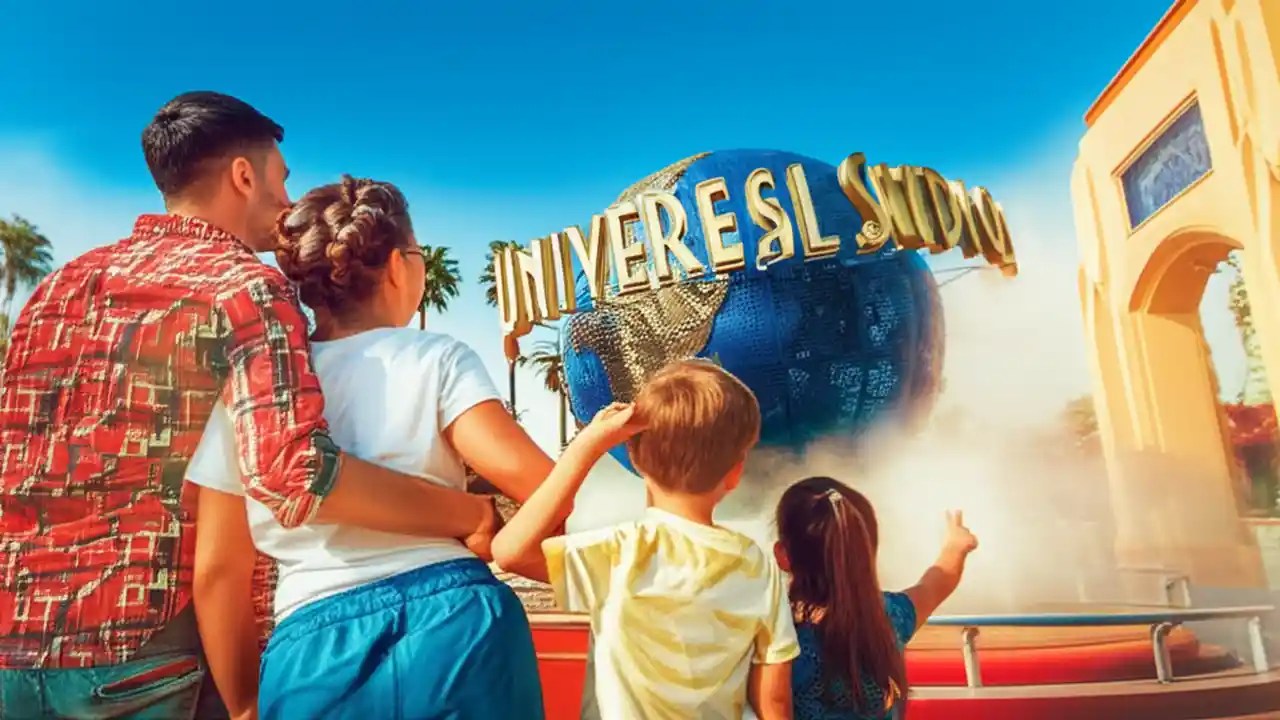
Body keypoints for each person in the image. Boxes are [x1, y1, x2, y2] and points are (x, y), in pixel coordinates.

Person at [0, 92, 508, 720]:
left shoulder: (60, 287)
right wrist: (468, 513)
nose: (288, 201)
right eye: (282, 178)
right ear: (244, 175)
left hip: (17, 648)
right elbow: (294, 476)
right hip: (149, 655)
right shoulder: (246, 289)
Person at [186, 175, 569, 719]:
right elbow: (543, 486)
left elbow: (218, 570)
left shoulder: (254, 391)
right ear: (395, 265)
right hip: (457, 624)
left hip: (312, 646)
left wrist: (246, 702)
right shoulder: (438, 359)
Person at [506, 358, 800, 720]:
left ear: (635, 459)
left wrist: (587, 447)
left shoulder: (615, 553)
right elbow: (774, 699)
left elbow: (511, 551)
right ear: (735, 473)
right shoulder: (757, 565)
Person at [773, 477, 978, 720]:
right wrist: (956, 546)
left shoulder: (774, 637)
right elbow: (935, 584)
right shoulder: (889, 617)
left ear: (782, 555)